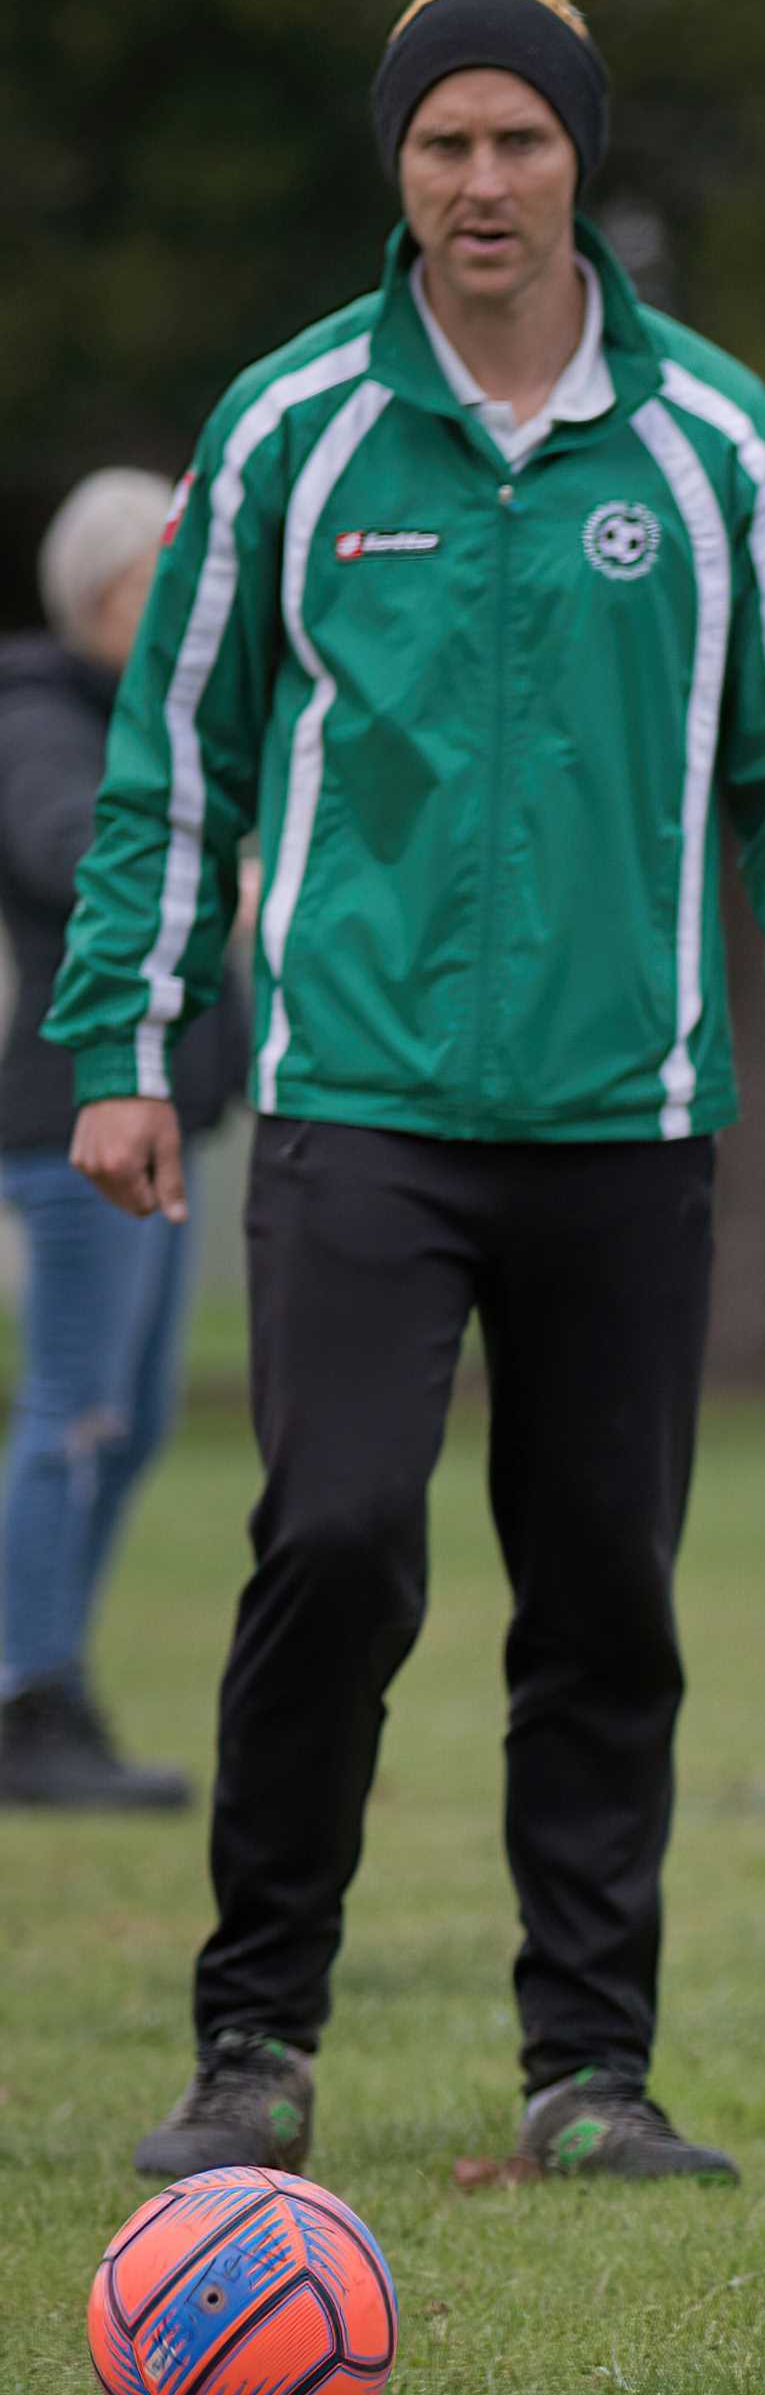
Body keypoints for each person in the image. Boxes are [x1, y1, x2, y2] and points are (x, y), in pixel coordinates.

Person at [49, 0, 765, 2184]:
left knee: (606, 1592)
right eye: (442, 142)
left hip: (627, 1125)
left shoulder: (716, 442)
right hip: (358, 1105)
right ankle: (252, 2040)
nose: (480, 180)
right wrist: (129, 1045)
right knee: (333, 1543)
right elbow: (177, 756)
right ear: (399, 170)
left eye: (518, 139)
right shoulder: (291, 431)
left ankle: (589, 2071)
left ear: (577, 158)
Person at [0, 472, 250, 1810]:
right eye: (167, 578)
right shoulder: (42, 720)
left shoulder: (157, 720)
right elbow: (65, 845)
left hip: (166, 1123)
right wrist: (211, 861)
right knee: (76, 1415)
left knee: (130, 1419)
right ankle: (23, 1701)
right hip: (82, 1120)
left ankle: (50, 1685)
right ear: (106, 595)